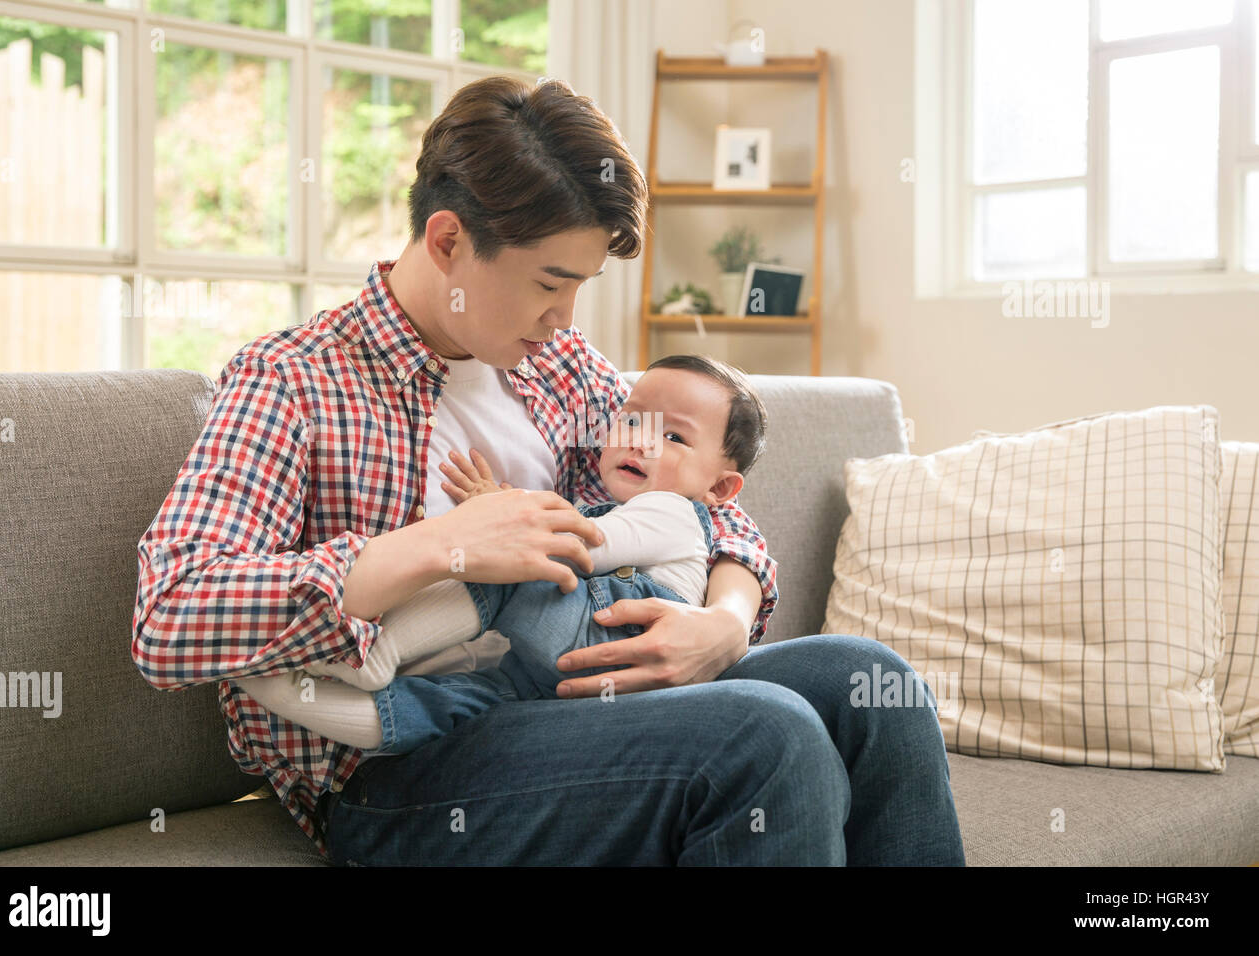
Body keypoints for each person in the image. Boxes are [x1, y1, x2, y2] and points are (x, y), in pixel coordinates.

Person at [132, 74, 965, 865]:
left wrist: (724, 623)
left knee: (870, 682)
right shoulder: (294, 379)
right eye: (549, 283)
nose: (565, 318)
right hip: (407, 766)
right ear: (449, 240)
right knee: (767, 734)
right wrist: (437, 546)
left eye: (582, 288)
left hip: (586, 692)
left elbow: (707, 506)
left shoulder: (559, 366)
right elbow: (170, 616)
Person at [233, 355, 768, 757]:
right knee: (464, 702)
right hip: (563, 681)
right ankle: (294, 698)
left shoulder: (671, 510)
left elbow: (585, 546)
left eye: (673, 436)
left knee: (510, 562)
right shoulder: (290, 370)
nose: (642, 441)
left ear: (720, 487)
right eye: (631, 421)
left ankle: (378, 651)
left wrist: (501, 516)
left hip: (614, 635)